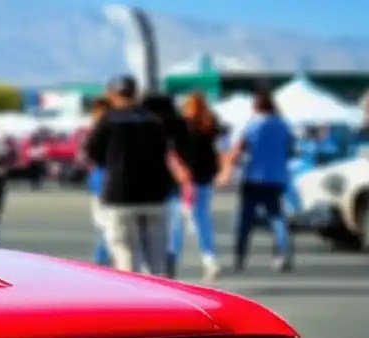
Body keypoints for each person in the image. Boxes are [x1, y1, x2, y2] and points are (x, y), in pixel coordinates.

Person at [86, 75, 177, 275]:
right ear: (135, 93)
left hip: (121, 194)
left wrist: (113, 163)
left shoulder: (108, 120)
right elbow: (165, 150)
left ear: (112, 94)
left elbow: (93, 152)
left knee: (125, 251)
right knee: (156, 254)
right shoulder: (153, 120)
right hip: (156, 194)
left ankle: (135, 299)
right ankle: (160, 297)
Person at [217, 88, 296, 272]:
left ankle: (240, 257)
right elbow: (291, 149)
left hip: (253, 177)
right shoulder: (283, 125)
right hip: (276, 177)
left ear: (256, 106)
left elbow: (238, 149)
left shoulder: (252, 125)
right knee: (277, 217)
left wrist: (228, 168)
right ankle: (282, 254)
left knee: (245, 219)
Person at [170, 91, 225, 280]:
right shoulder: (210, 124)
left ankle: (172, 262)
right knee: (203, 220)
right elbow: (217, 150)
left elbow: (173, 151)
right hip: (204, 179)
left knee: (176, 224)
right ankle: (210, 259)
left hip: (183, 181)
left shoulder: (181, 126)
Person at [84, 97, 112, 265]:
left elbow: (90, 154)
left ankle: (102, 261)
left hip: (103, 181)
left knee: (103, 225)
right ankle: (103, 260)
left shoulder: (99, 130)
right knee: (105, 225)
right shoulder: (113, 128)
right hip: (106, 180)